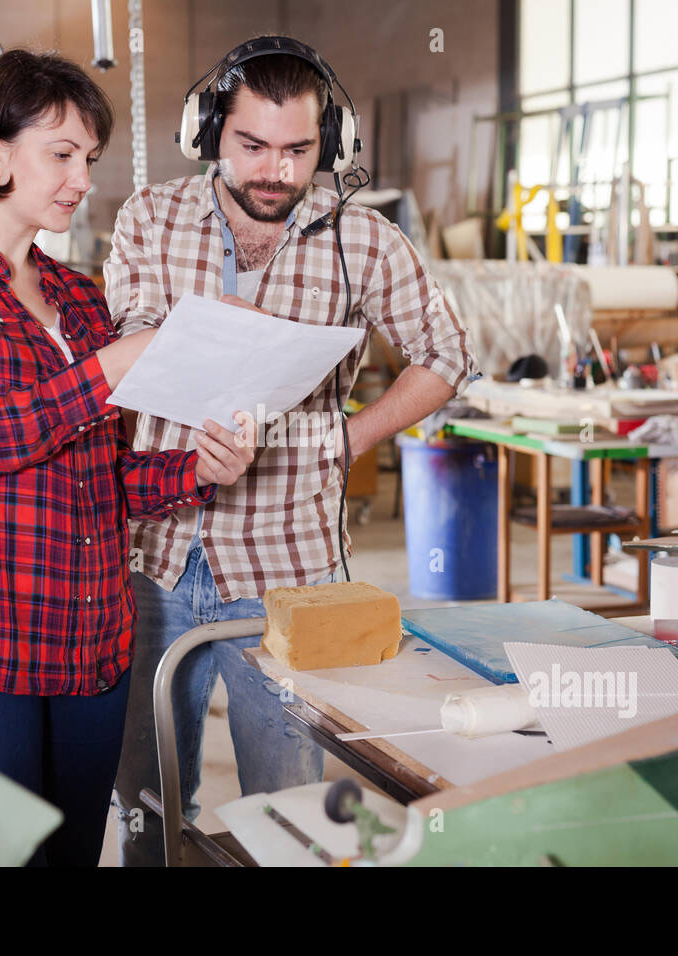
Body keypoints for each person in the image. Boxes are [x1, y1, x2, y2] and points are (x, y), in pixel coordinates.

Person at [0, 49, 255, 866]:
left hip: (88, 636)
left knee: (69, 853)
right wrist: (101, 371)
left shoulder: (77, 296)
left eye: (90, 160)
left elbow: (94, 476)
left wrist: (198, 471)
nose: (81, 179)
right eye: (61, 154)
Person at [106, 35, 479, 866]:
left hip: (291, 570)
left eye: (298, 150)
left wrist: (351, 437)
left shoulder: (366, 240)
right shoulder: (149, 219)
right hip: (154, 556)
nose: (274, 171)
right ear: (210, 133)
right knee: (146, 806)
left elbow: (449, 356)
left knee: (290, 814)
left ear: (331, 143)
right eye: (252, 146)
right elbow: (127, 350)